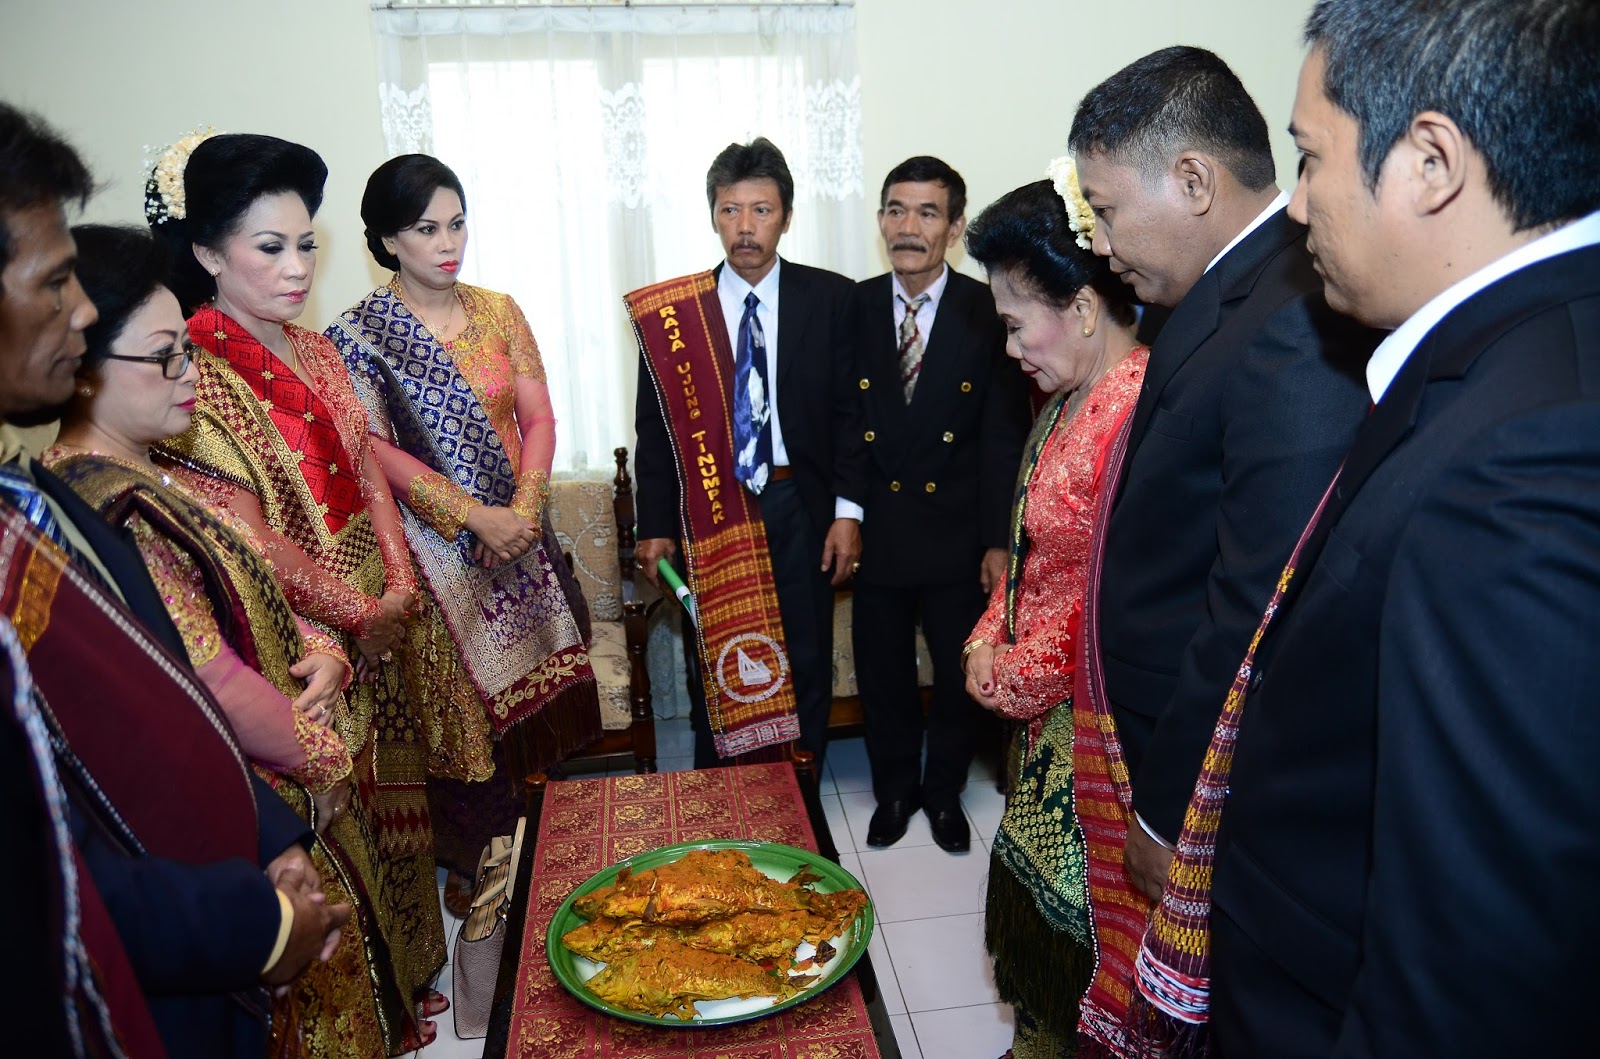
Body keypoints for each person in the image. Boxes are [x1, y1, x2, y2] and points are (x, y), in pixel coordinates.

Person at [1129, 2, 1600, 1054]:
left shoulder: (1531, 456)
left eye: (1311, 158)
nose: (1294, 209)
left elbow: (1480, 974)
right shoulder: (1502, 356)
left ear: (1429, 161)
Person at [0, 101, 345, 1059]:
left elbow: (172, 695)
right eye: (53, 280)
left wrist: (272, 825)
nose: (75, 311)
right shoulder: (81, 494)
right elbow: (48, 857)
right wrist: (259, 917)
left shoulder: (32, 503)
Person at [47, 222, 430, 1057]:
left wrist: (318, 642)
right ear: (80, 369)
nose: (189, 374)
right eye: (164, 357)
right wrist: (322, 756)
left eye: (185, 350)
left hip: (278, 770)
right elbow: (205, 670)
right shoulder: (102, 504)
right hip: (245, 795)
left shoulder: (146, 473)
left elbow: (240, 570)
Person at [148, 131, 447, 1048]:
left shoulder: (318, 352)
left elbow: (364, 464)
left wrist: (397, 586)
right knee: (337, 831)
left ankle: (409, 980)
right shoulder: (197, 367)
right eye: (268, 247)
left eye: (306, 243)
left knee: (399, 808)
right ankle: (367, 1005)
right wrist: (356, 616)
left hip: (378, 617)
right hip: (300, 641)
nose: (295, 266)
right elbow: (250, 534)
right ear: (207, 253)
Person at [1066, 46, 1376, 905]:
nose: (1099, 241)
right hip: (1153, 728)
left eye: (1107, 210)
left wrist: (1172, 813)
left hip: (1207, 776)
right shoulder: (1226, 292)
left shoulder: (1292, 317)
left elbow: (1253, 602)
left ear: (1194, 181)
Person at [327, 154, 600, 916]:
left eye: (456, 223)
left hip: (523, 538)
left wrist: (521, 507)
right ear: (386, 240)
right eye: (425, 229)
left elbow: (538, 418)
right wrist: (470, 516)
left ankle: (545, 844)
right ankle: (481, 863)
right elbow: (373, 451)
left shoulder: (500, 310)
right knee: (465, 722)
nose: (448, 243)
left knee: (538, 711)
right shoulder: (355, 338)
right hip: (438, 558)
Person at [960, 169, 1148, 1059]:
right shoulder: (1067, 401)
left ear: (1079, 307)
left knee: (1086, 945)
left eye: (1012, 322)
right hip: (1040, 729)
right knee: (1042, 946)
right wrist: (983, 637)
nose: (1009, 348)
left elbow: (1111, 592)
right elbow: (1031, 562)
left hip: (1092, 739)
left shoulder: (1135, 410)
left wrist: (1016, 671)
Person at [632, 137, 865, 767]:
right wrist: (653, 526)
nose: (745, 227)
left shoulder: (835, 300)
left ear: (786, 216)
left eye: (761, 210)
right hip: (715, 506)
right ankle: (728, 806)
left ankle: (801, 804)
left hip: (802, 503)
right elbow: (654, 432)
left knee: (805, 655)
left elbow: (853, 418)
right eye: (730, 210)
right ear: (713, 215)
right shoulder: (678, 315)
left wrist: (849, 513)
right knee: (720, 659)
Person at [852, 156, 1029, 852]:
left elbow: (1000, 432)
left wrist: (997, 540)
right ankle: (895, 788)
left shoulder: (986, 311)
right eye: (896, 210)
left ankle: (944, 791)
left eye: (927, 213)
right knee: (883, 668)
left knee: (960, 674)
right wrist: (847, 514)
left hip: (958, 527)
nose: (908, 226)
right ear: (881, 222)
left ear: (955, 227)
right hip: (880, 527)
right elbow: (846, 421)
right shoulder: (857, 306)